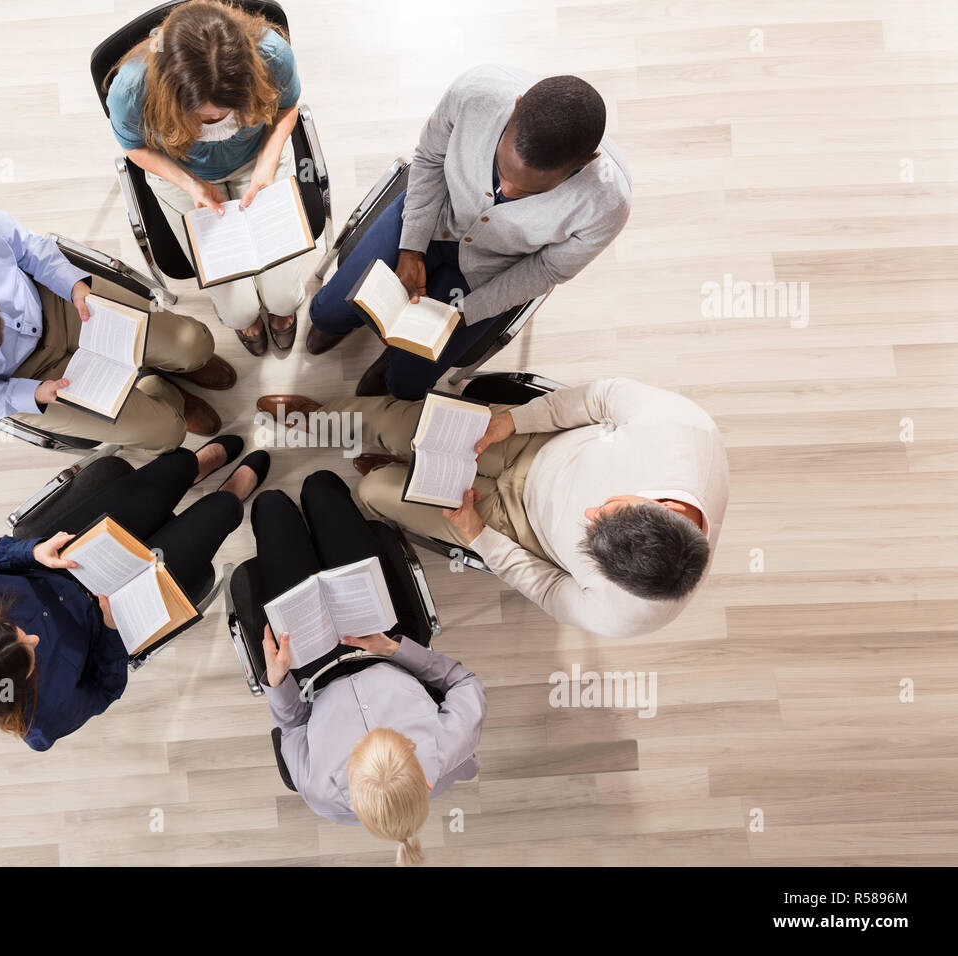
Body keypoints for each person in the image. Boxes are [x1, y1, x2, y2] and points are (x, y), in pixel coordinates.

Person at [256, 378, 728, 639]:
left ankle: (391, 465)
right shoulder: (682, 430)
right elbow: (595, 398)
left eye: (593, 533)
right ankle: (322, 421)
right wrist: (513, 421)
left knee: (377, 492)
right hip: (533, 441)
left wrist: (478, 535)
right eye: (607, 509)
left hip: (517, 528)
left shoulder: (629, 614)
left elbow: (546, 586)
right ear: (660, 502)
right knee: (392, 425)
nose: (588, 513)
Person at [0, 438, 270, 751]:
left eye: (15, 631)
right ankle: (228, 495)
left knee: (175, 466)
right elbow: (104, 690)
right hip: (115, 615)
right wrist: (111, 631)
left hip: (70, 559)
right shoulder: (42, 721)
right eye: (27, 655)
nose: (34, 638)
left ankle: (194, 469)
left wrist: (33, 553)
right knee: (221, 512)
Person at [306, 65, 632, 399]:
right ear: (516, 107)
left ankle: (397, 360)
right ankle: (356, 328)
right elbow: (430, 160)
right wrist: (411, 248)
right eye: (502, 171)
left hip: (489, 272)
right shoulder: (473, 94)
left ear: (587, 162)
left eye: (528, 193)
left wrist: (465, 314)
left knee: (406, 385)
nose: (505, 190)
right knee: (327, 311)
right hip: (435, 216)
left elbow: (546, 269)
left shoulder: (608, 204)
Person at [0, 194, 234, 454]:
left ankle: (176, 366)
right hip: (26, 378)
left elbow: (28, 248)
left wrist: (72, 284)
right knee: (167, 433)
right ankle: (163, 392)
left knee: (194, 344)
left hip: (54, 300)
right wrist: (30, 395)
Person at [252, 471, 486, 864]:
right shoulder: (451, 749)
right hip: (380, 641)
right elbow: (462, 681)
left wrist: (277, 682)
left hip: (312, 668)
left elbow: (293, 726)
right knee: (320, 488)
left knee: (271, 508)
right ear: (418, 762)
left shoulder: (322, 794)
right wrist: (397, 650)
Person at [106, 0, 306, 355]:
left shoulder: (272, 55)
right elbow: (134, 148)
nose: (217, 124)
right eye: (203, 118)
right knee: (238, 307)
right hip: (181, 173)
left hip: (259, 156)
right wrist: (191, 185)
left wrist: (266, 164)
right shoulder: (132, 89)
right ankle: (244, 319)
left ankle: (279, 312)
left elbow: (289, 107)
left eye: (228, 111)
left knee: (285, 295)